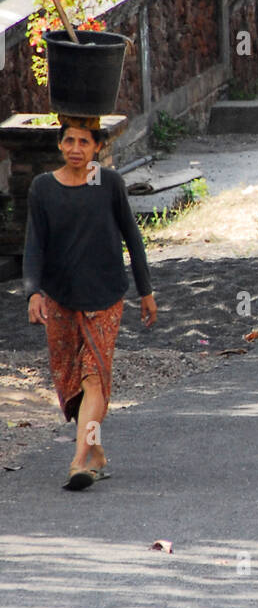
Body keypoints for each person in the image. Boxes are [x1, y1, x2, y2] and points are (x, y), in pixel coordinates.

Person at [23, 116, 157, 491]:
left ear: (97, 147)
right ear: (60, 146)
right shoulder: (43, 188)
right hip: (62, 298)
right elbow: (34, 245)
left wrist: (145, 291)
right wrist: (33, 291)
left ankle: (79, 460)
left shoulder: (106, 182)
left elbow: (132, 236)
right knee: (72, 385)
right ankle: (96, 453)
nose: (76, 149)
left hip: (104, 297)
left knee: (93, 378)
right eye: (70, 141)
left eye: (85, 142)